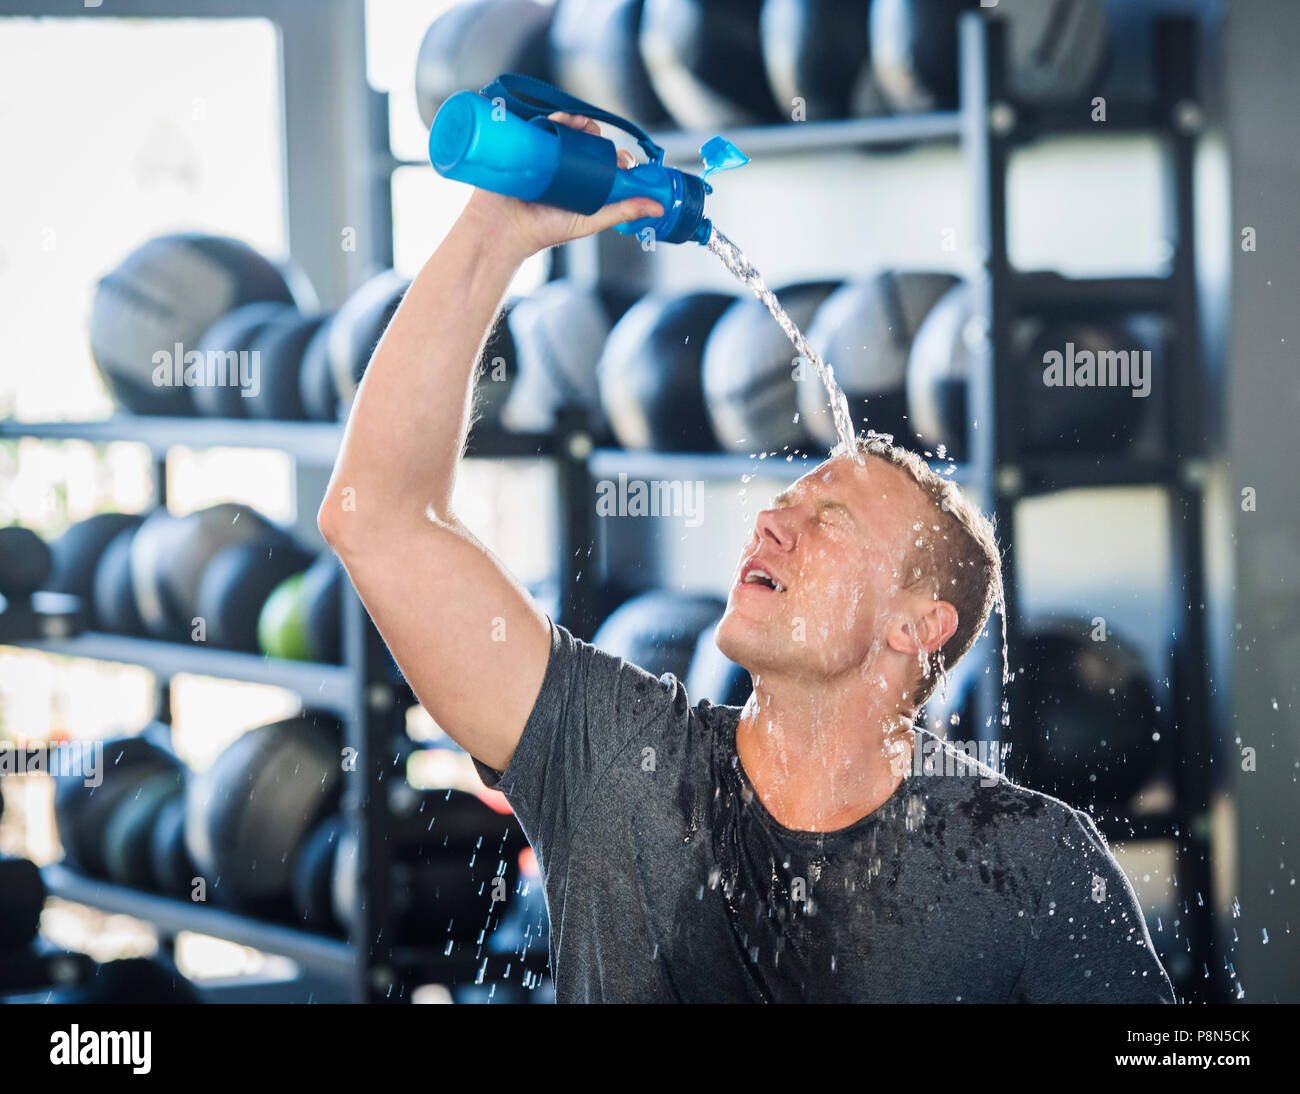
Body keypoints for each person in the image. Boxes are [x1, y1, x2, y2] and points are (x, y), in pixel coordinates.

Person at [319, 113, 1175, 1004]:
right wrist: (496, 227)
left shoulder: (1030, 856)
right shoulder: (615, 756)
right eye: (782, 501)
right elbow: (374, 517)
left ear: (917, 625)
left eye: (830, 516)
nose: (771, 523)